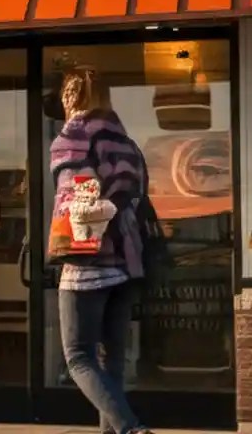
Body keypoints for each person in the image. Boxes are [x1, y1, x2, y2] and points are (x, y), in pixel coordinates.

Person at [49, 67, 151, 434]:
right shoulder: (125, 141)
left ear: (70, 97)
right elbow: (127, 194)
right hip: (127, 263)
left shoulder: (73, 136)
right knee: (112, 365)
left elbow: (76, 194)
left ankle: (131, 429)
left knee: (78, 358)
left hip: (86, 259)